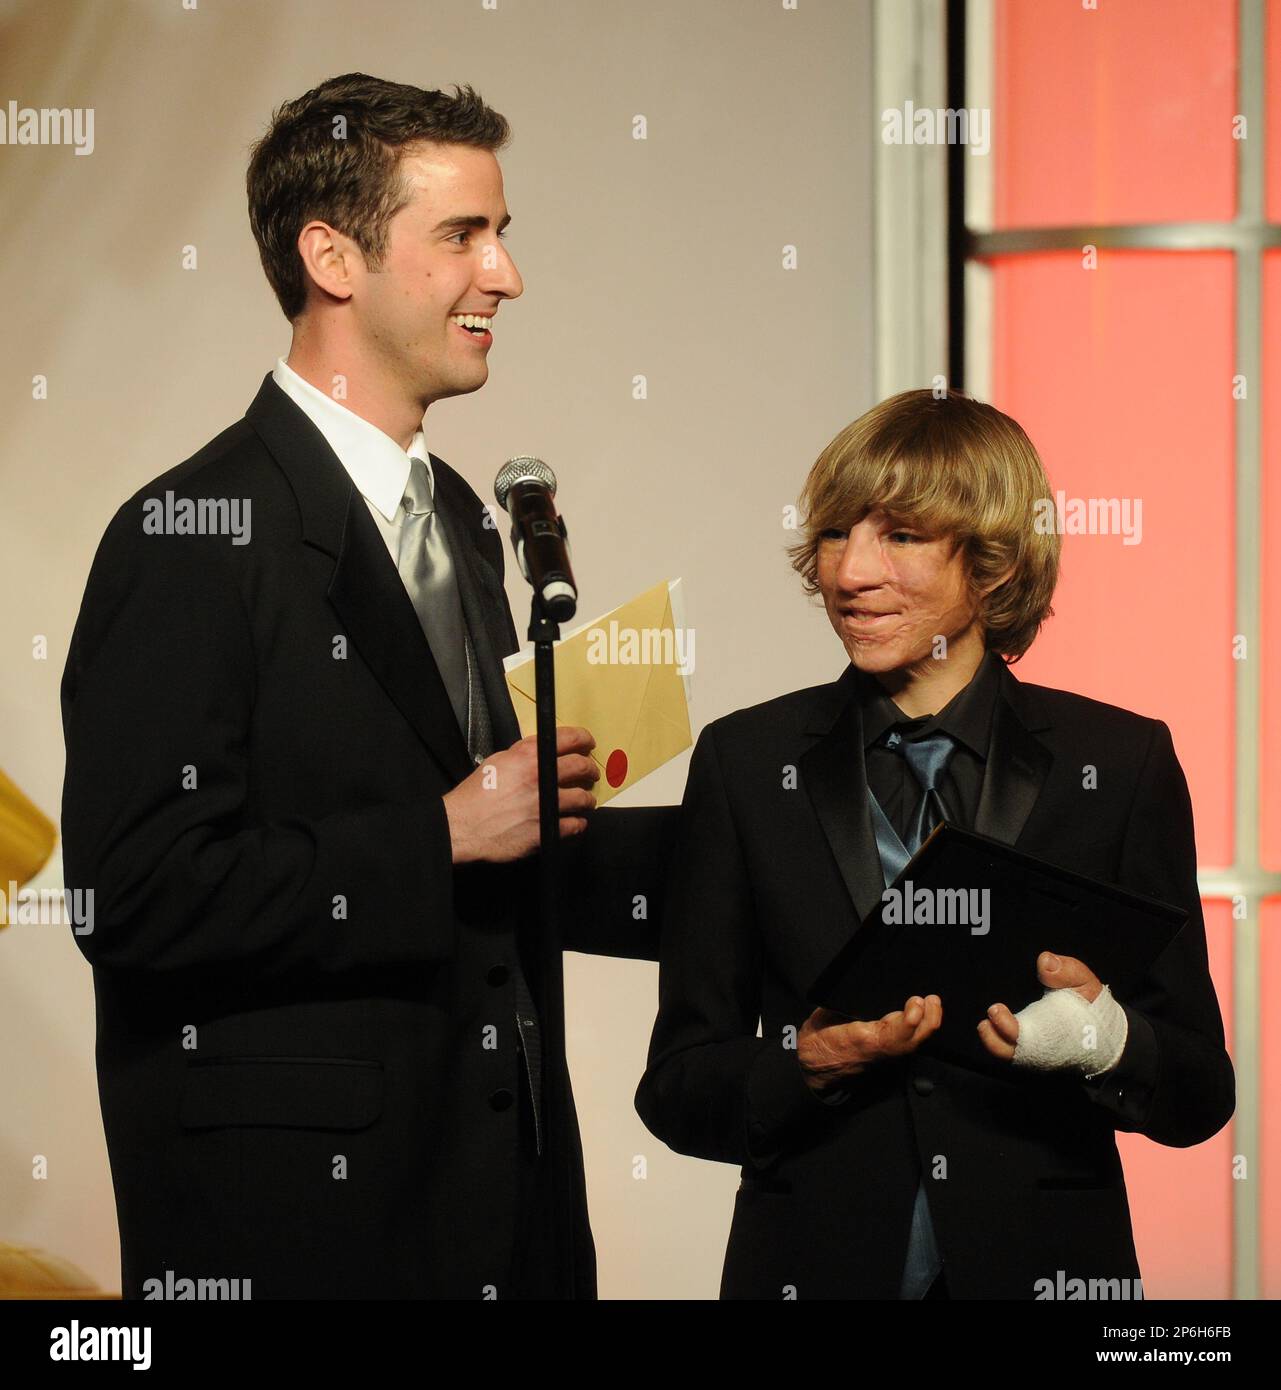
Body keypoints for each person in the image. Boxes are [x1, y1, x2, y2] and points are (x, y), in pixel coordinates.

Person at [61, 72, 673, 1301]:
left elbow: (509, 863)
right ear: (331, 256)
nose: (505, 275)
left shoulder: (458, 512)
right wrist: (440, 833)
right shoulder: (190, 531)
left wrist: (805, 829)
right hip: (304, 1236)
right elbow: (129, 897)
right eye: (462, 235)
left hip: (503, 1208)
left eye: (501, 235)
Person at [635, 388, 1234, 1300]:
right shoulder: (746, 763)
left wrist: (1106, 1039)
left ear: (991, 565)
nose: (849, 573)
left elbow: (1197, 1093)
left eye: (900, 538)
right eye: (836, 535)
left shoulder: (1118, 763)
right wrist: (805, 1064)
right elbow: (679, 1085)